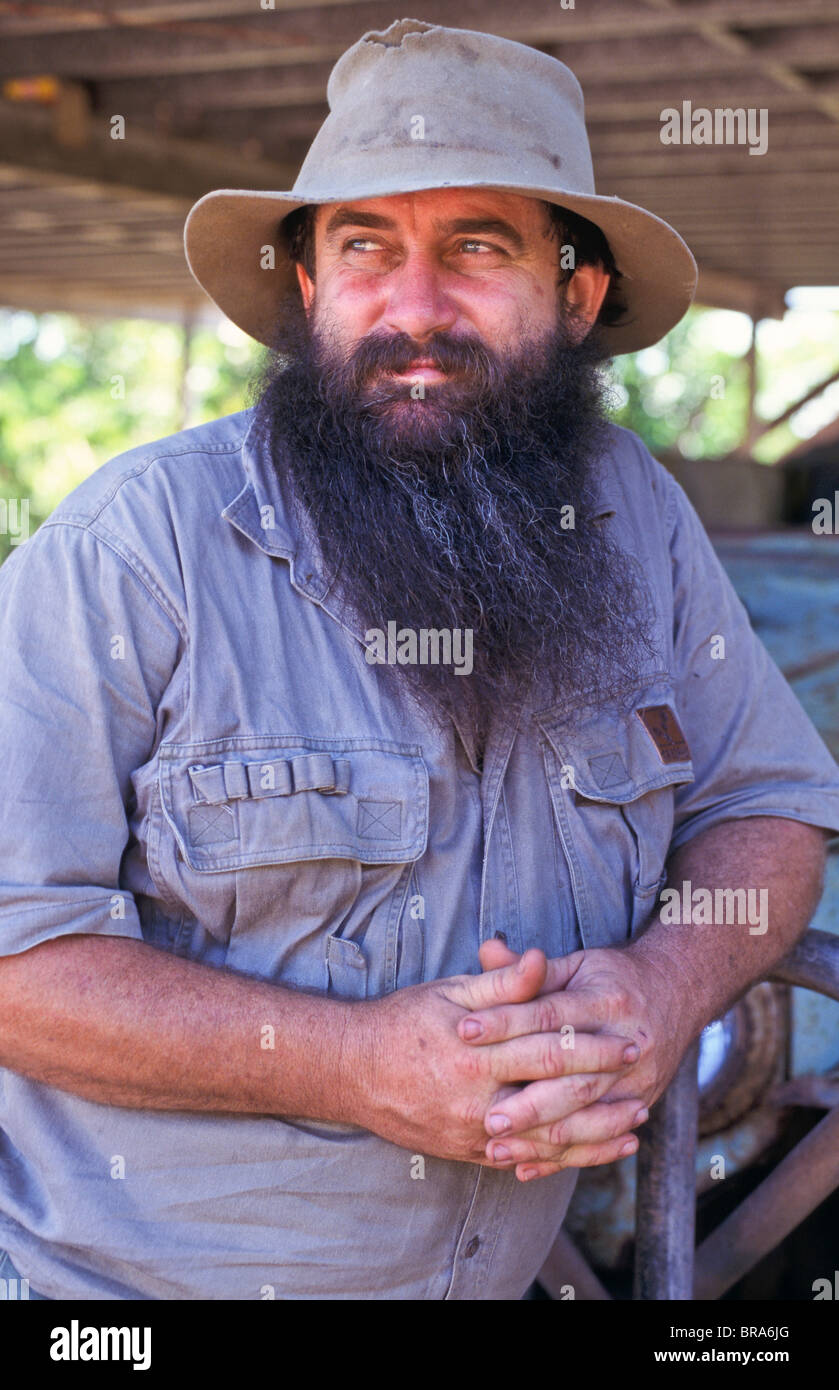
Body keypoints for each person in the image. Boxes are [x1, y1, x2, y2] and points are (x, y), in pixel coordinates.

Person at [0, 17, 837, 1302]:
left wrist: (662, 994)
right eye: (365, 247)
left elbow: (766, 802)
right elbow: (16, 960)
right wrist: (351, 1063)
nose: (413, 308)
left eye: (476, 246)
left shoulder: (631, 516)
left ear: (577, 294)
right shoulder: (138, 548)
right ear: (305, 284)